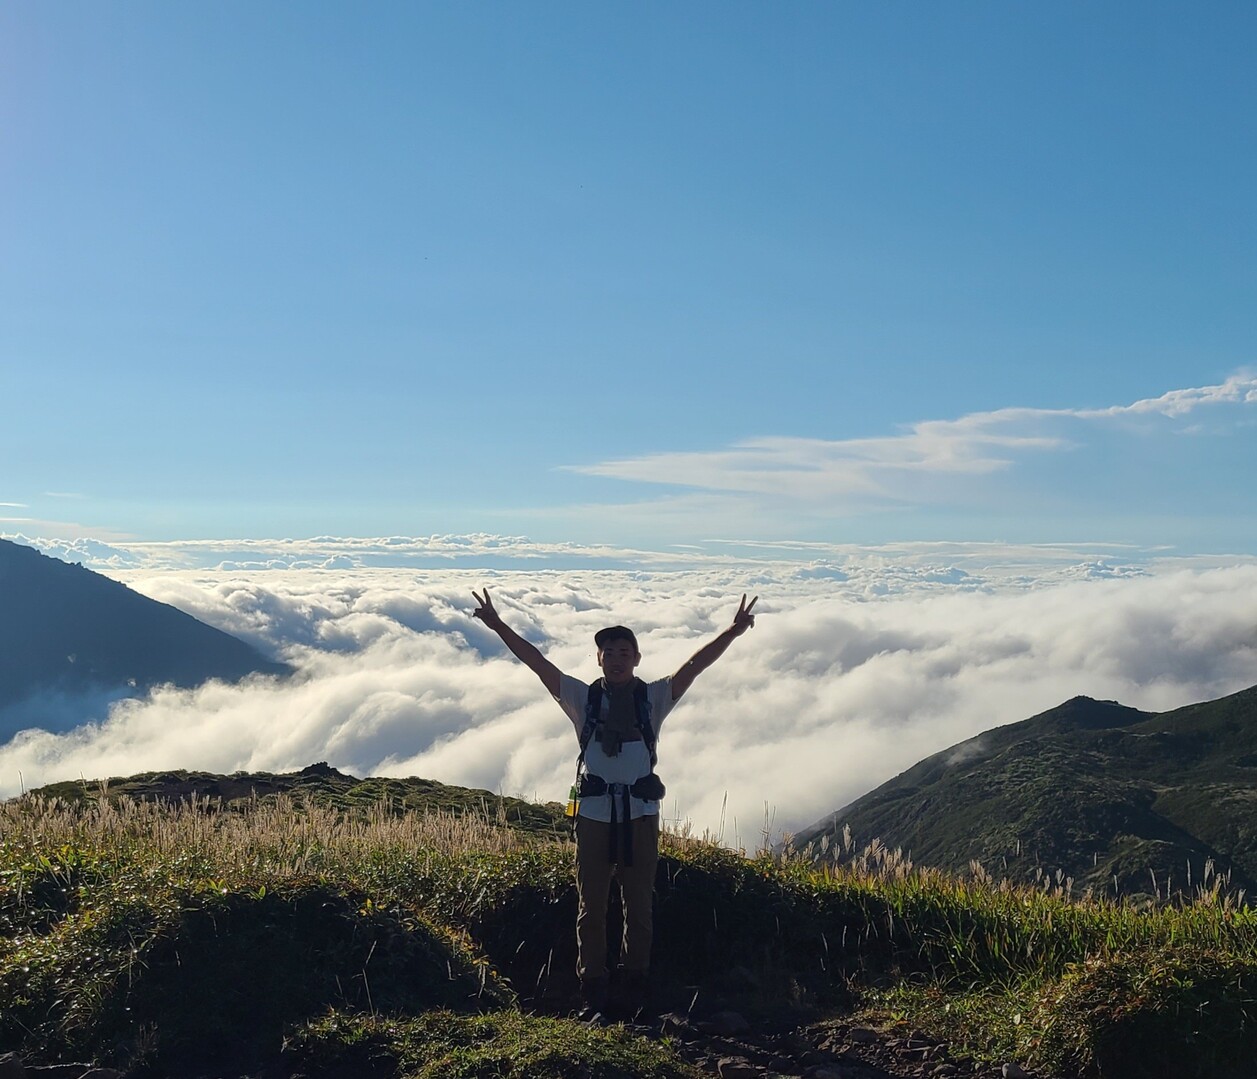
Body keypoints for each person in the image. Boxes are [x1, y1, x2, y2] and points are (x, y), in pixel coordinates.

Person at [471, 588, 758, 1019]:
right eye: (609, 651)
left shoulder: (652, 698)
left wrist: (732, 633)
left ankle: (631, 980)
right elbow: (537, 664)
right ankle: (595, 984)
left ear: (637, 658)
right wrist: (497, 626)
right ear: (599, 658)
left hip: (638, 815)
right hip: (594, 815)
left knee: (638, 903)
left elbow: (694, 667)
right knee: (593, 903)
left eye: (625, 651)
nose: (618, 658)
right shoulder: (581, 698)